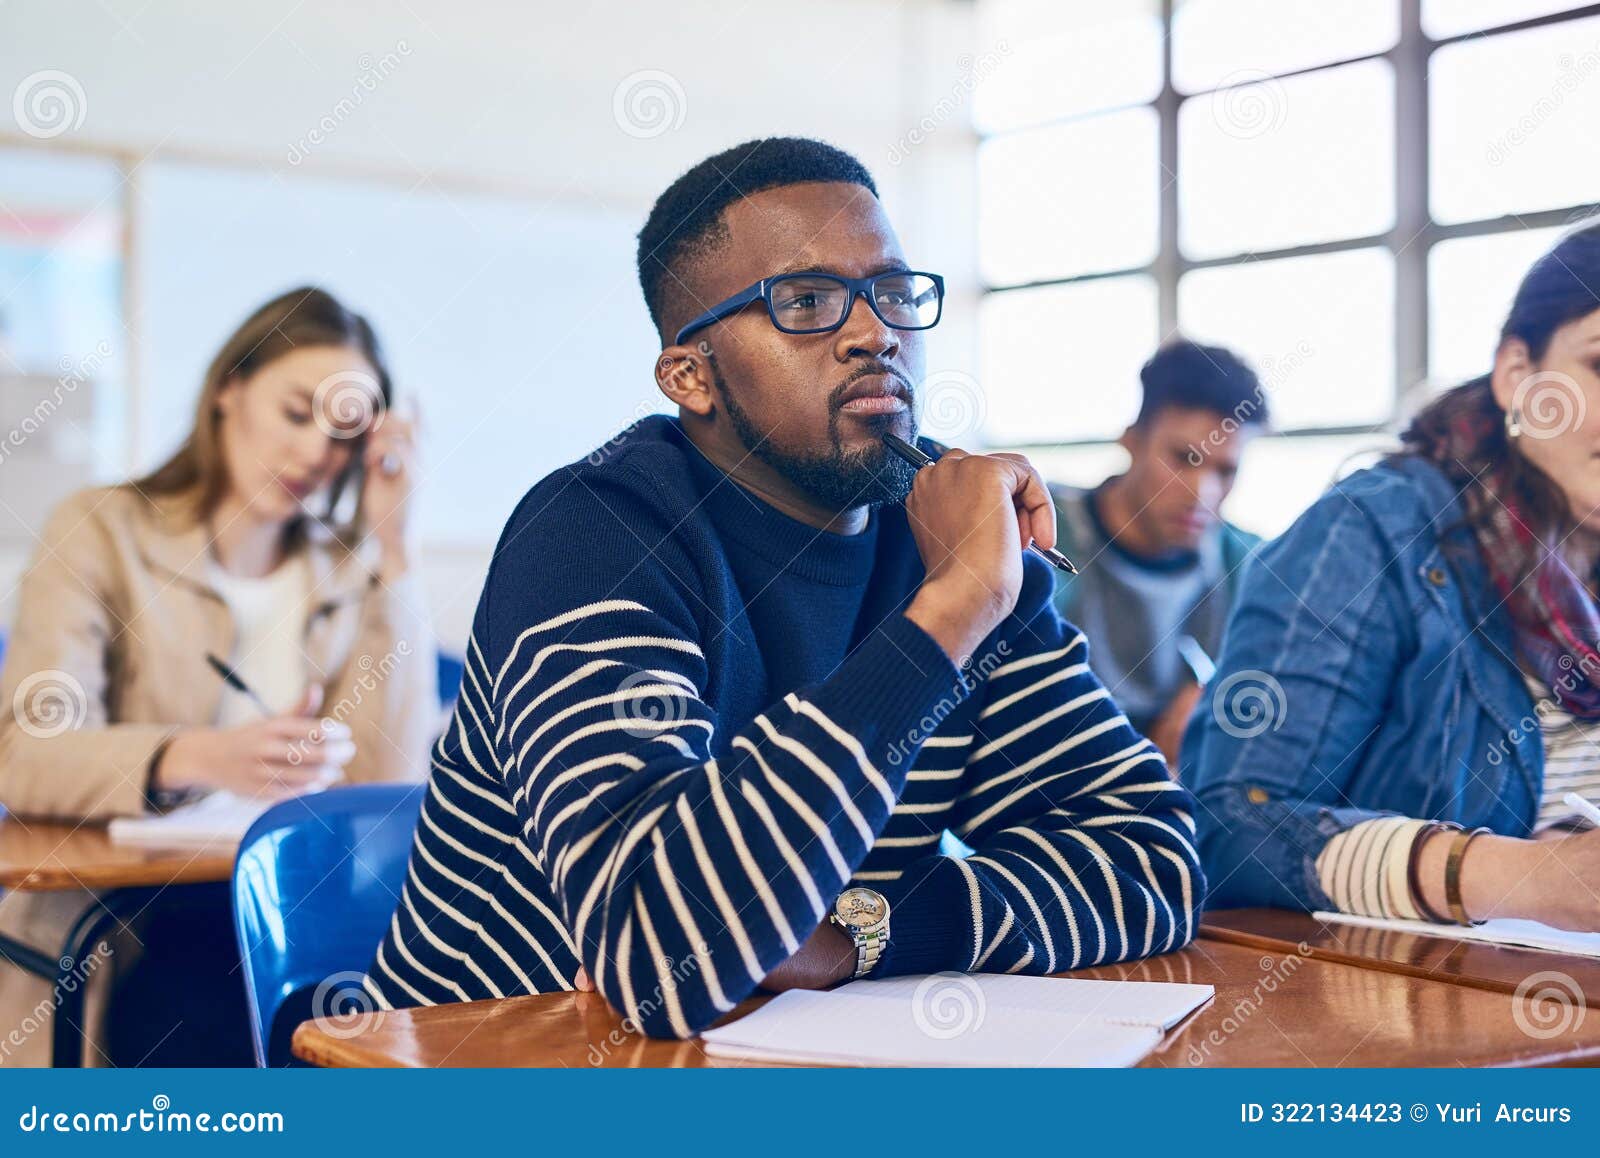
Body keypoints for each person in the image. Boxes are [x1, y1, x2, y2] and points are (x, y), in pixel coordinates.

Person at [365, 137, 1202, 1040]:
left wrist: (854, 936)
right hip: (480, 1073)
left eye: (890, 292)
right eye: (805, 301)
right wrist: (949, 616)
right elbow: (664, 959)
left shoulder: (955, 547)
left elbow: (1150, 861)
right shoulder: (595, 533)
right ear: (689, 375)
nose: (875, 331)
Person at [0, 286, 437, 1065]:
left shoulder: (344, 571)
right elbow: (27, 754)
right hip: (130, 923)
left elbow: (387, 785)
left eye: (342, 434)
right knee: (210, 1015)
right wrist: (198, 757)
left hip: (284, 915)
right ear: (228, 389)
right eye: (296, 413)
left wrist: (393, 548)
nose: (314, 454)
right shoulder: (101, 531)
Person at [1186, 221, 1600, 931]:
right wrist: (1523, 877)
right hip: (1444, 1017)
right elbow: (1225, 830)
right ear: (1515, 376)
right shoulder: (1372, 531)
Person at [1049, 339, 1265, 766]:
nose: (1201, 494)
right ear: (1131, 440)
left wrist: (1215, 702)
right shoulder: (1043, 532)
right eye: (1184, 459)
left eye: (1225, 470)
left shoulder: (1249, 565)